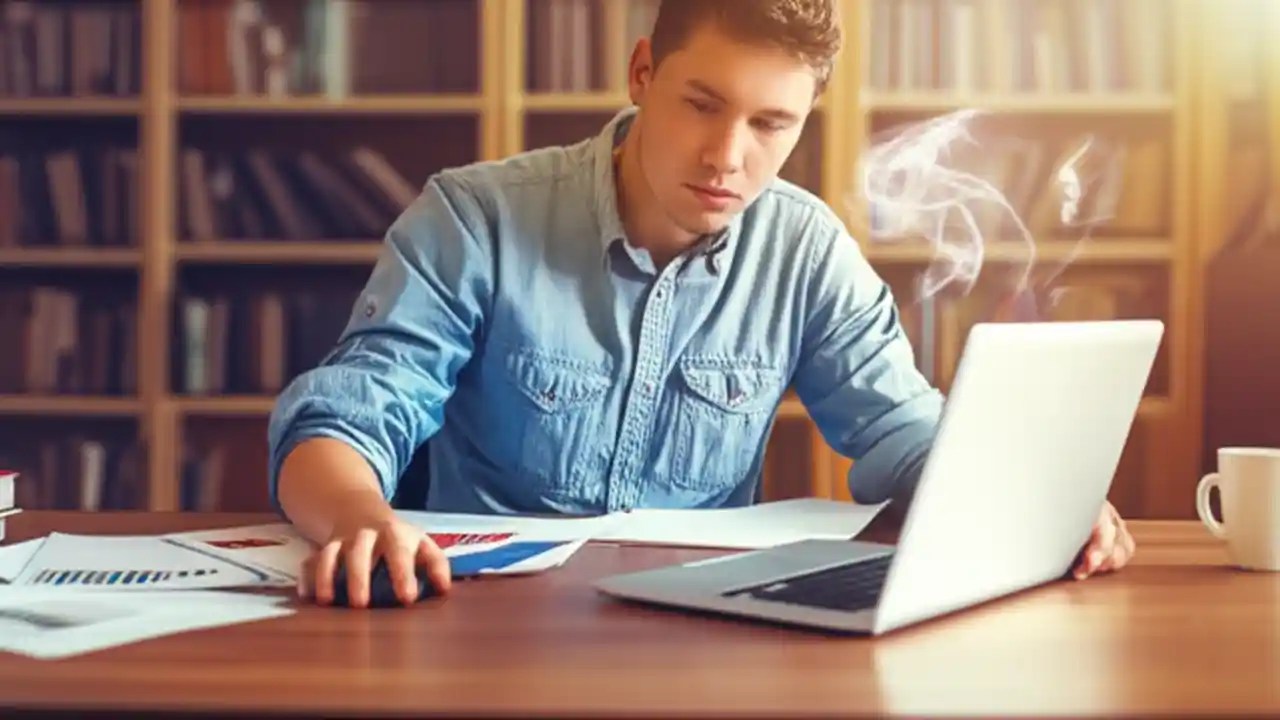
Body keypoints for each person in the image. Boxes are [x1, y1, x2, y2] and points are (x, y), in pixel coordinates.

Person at [267, 0, 1136, 609]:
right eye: (702, 104)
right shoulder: (477, 217)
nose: (728, 156)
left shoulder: (806, 248)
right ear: (643, 72)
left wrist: (1037, 497)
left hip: (697, 628)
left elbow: (899, 428)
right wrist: (362, 524)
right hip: (478, 618)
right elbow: (343, 421)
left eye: (770, 124)